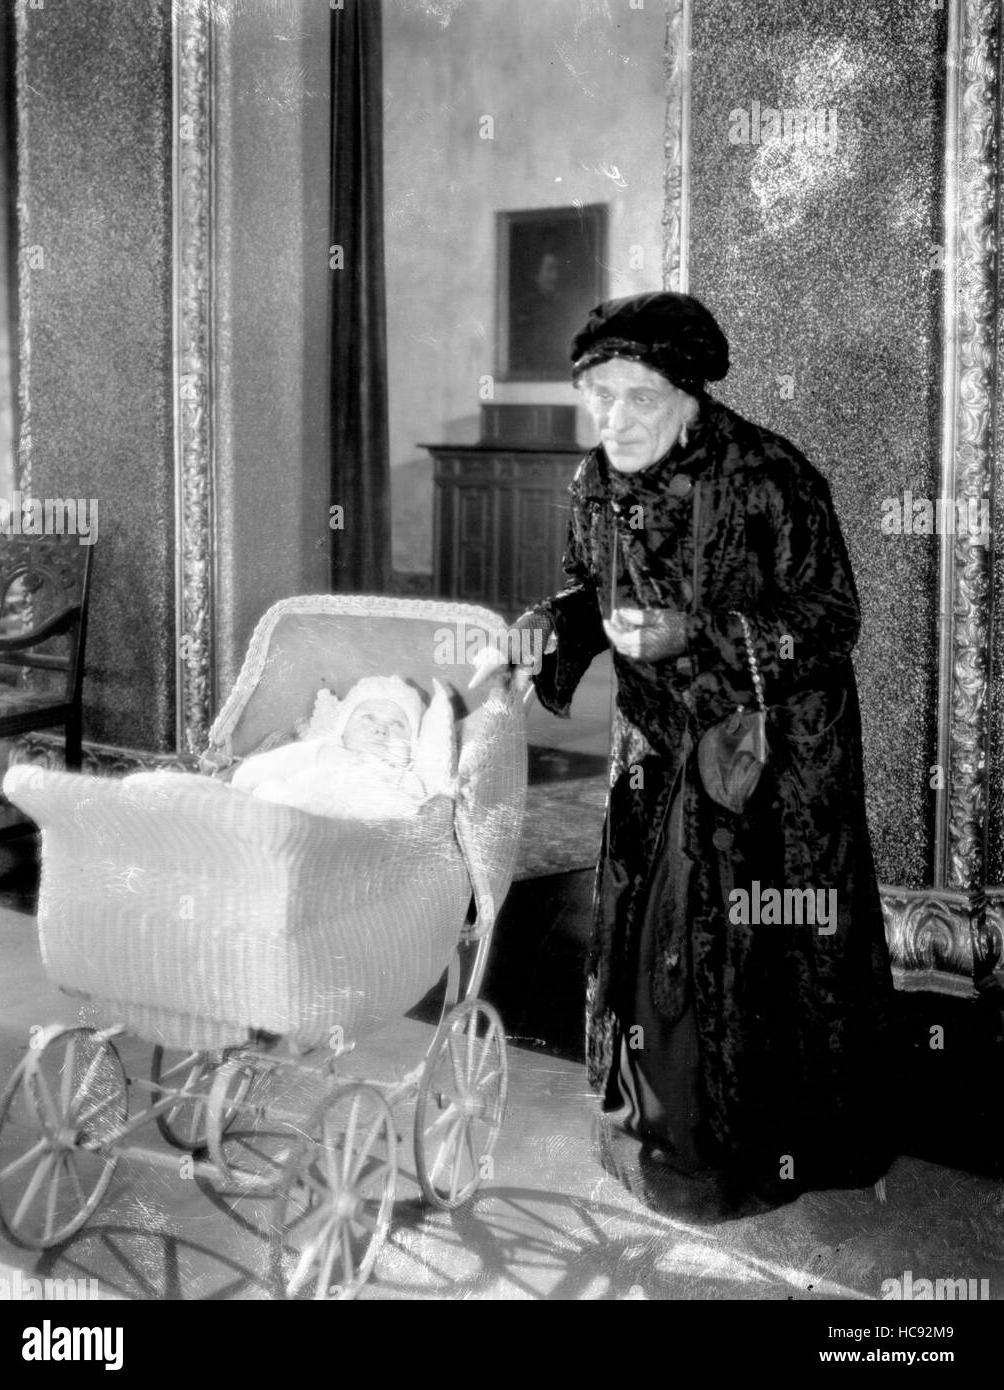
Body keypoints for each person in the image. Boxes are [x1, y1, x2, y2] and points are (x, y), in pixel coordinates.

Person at [492, 291, 896, 1210]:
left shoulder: (771, 476)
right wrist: (544, 630)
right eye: (599, 397)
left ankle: (764, 1149)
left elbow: (832, 623)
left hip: (770, 758)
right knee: (659, 935)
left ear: (687, 394)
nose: (614, 419)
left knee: (751, 940)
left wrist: (699, 631)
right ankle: (669, 1124)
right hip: (657, 745)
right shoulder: (596, 481)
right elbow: (587, 595)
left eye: (637, 398)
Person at [231, 674, 452, 820]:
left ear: (412, 747)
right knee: (270, 791)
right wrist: (316, 756)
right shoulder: (321, 751)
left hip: (357, 835)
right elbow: (244, 777)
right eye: (368, 718)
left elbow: (435, 769)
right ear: (343, 729)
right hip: (294, 815)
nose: (381, 730)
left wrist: (441, 711)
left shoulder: (408, 780)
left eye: (397, 725)